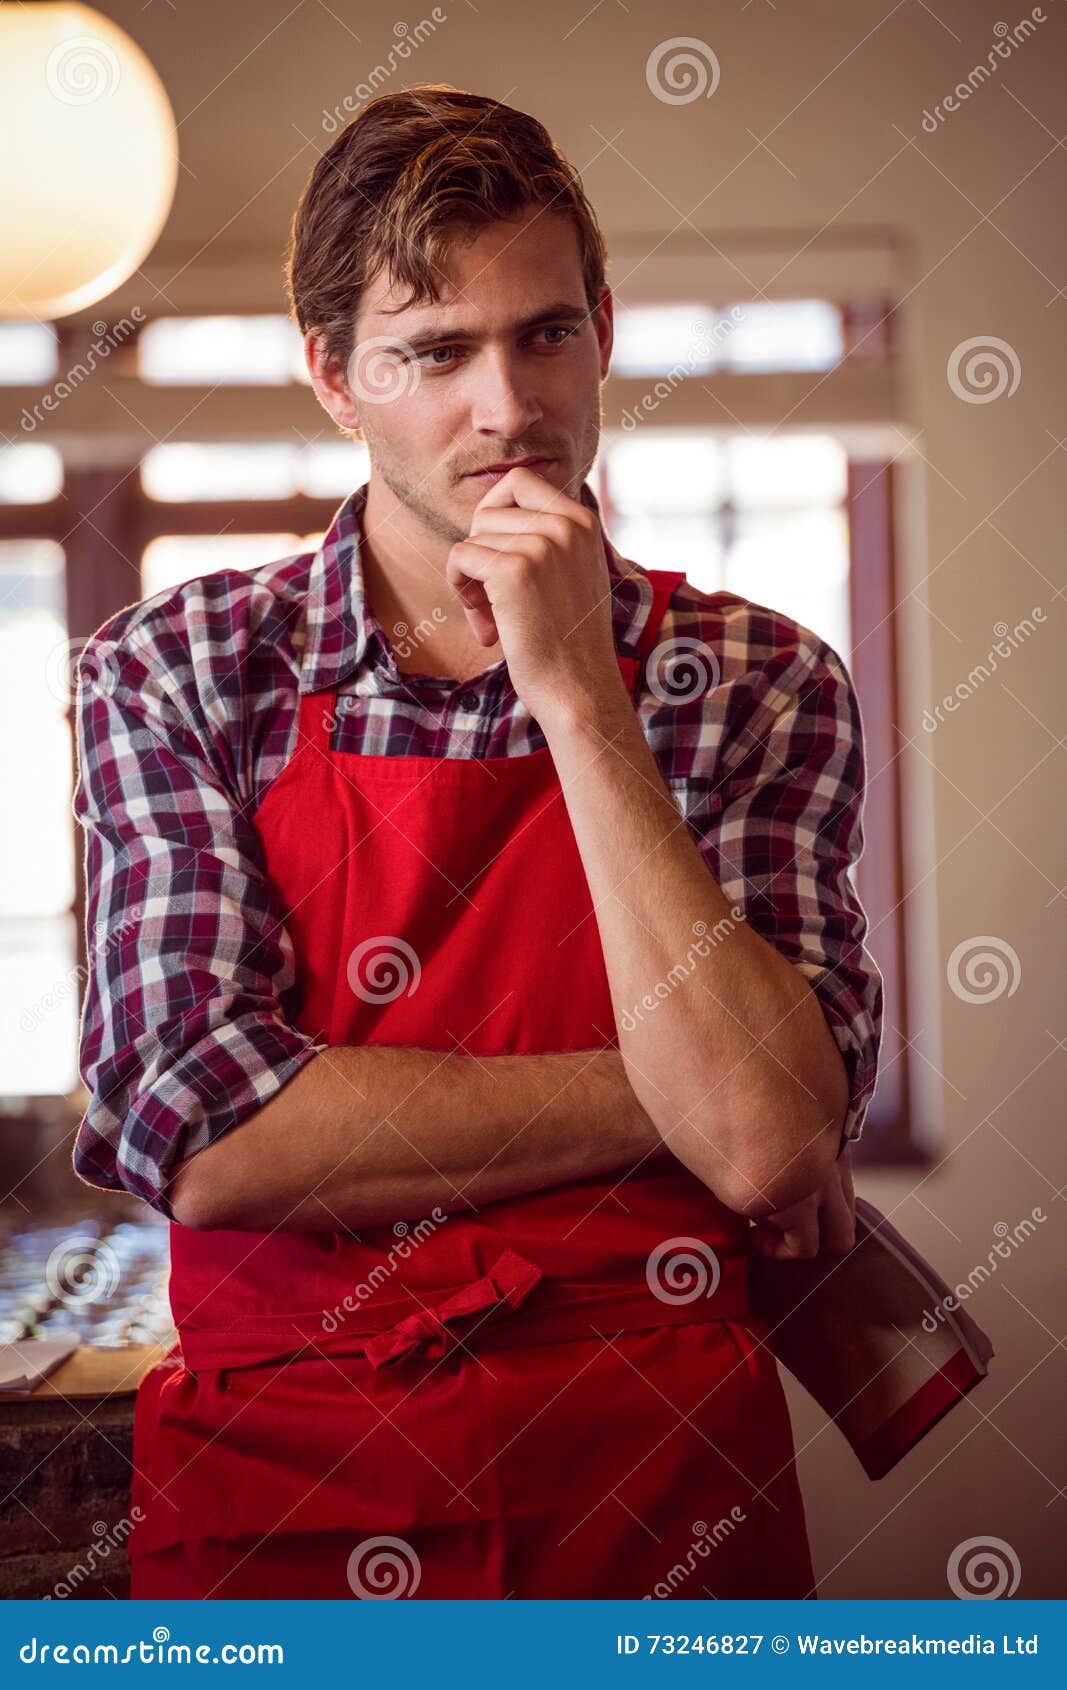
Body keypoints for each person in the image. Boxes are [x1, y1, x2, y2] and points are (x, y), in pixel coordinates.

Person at [72, 84, 882, 1600]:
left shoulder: (766, 684)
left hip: (661, 1507)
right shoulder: (177, 671)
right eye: (437, 352)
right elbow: (207, 1131)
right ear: (335, 377)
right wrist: (671, 1090)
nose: (509, 407)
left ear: (605, 329)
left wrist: (581, 698)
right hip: (285, 1497)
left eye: (546, 333)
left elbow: (771, 1138)